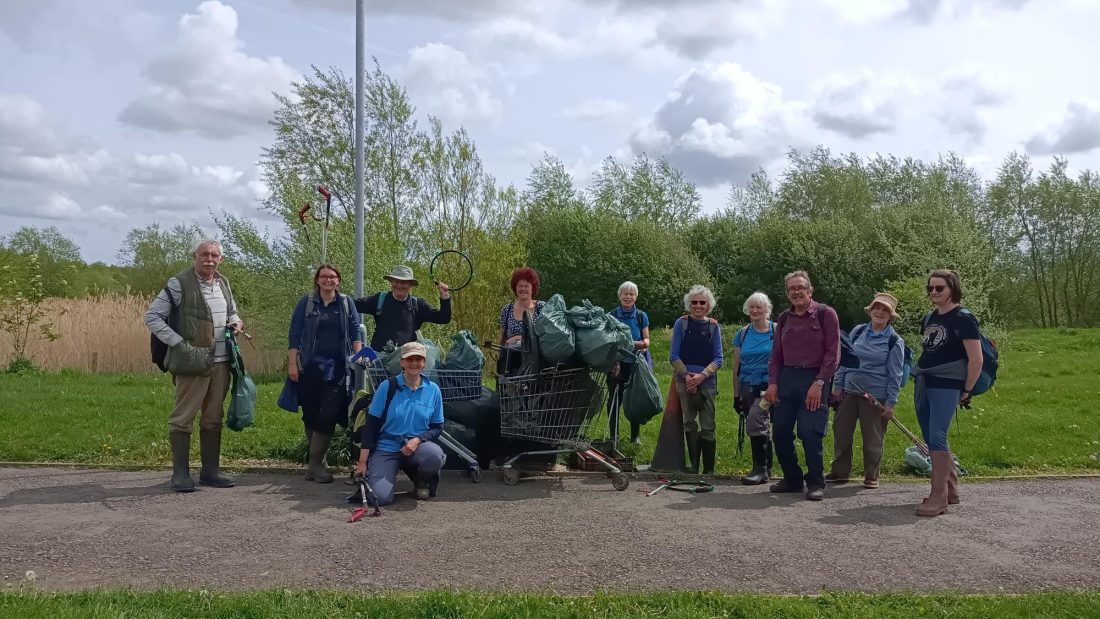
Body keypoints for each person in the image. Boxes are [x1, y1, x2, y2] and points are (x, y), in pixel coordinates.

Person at [144, 239, 243, 493]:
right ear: (194, 256)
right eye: (204, 255)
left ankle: (210, 472)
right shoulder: (179, 283)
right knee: (182, 418)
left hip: (222, 362)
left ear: (221, 259)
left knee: (213, 418)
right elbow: (152, 316)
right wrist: (178, 343)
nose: (209, 259)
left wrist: (236, 323)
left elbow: (232, 312)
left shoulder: (223, 282)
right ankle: (180, 474)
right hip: (190, 362)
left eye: (214, 255)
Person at [911, 270, 983, 517]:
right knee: (930, 436)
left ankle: (938, 497)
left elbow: (976, 359)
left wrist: (967, 389)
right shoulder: (929, 316)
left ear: (952, 288)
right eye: (930, 288)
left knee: (937, 435)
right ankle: (951, 490)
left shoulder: (964, 318)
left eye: (939, 288)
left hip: (947, 383)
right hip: (925, 380)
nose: (933, 292)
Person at [764, 270, 840, 501]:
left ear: (810, 290)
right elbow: (775, 355)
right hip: (787, 379)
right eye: (792, 289)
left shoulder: (826, 314)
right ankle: (792, 479)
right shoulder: (785, 318)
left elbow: (833, 353)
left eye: (801, 288)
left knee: (809, 432)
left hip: (815, 379)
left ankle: (816, 482)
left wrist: (819, 383)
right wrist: (773, 383)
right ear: (787, 293)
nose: (797, 292)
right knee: (781, 432)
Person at [286, 264, 363, 483]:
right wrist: (292, 364)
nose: (328, 280)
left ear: (338, 281)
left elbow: (355, 330)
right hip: (309, 367)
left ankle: (314, 465)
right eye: (324, 277)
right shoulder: (307, 303)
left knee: (328, 413)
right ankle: (317, 465)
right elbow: (294, 334)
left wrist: (359, 357)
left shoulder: (346, 303)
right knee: (310, 413)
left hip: (338, 367)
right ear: (317, 280)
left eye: (332, 277)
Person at [827, 292, 904, 490]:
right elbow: (845, 359)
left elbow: (895, 374)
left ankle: (871, 475)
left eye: (885, 310)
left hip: (875, 396)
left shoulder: (894, 341)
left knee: (873, 438)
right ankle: (840, 472)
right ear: (871, 310)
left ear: (890, 316)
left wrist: (891, 402)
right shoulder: (858, 331)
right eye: (877, 308)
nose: (880, 312)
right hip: (849, 391)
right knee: (841, 431)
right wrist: (837, 385)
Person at [354, 341, 447, 504]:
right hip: (387, 447)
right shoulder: (386, 387)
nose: (414, 363)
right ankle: (379, 476)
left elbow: (437, 427)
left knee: (435, 455)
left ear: (424, 363)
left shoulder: (433, 390)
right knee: (380, 498)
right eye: (409, 359)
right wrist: (362, 463)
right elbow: (371, 426)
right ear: (402, 362)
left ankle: (421, 481)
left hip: (416, 448)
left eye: (418, 359)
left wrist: (417, 440)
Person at [669, 285, 723, 474]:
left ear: (708, 305)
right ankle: (693, 465)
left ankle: (709, 470)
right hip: (684, 381)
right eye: (694, 302)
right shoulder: (681, 323)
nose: (698, 306)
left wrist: (702, 376)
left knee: (708, 425)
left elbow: (719, 359)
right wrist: (687, 376)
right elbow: (673, 355)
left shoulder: (714, 326)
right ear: (689, 304)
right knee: (689, 422)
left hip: (707, 382)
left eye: (702, 302)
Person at [730, 291, 775, 485]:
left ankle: (760, 470)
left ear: (767, 310)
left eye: (759, 307)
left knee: (756, 418)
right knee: (759, 423)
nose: (755, 310)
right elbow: (736, 365)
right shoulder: (743, 333)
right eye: (752, 307)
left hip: (768, 385)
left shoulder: (777, 330)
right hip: (747, 384)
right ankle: (768, 466)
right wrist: (736, 395)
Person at [354, 265, 450, 351]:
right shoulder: (380, 299)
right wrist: (339, 296)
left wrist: (444, 298)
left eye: (404, 282)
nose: (399, 286)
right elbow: (354, 304)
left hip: (407, 363)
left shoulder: (418, 305)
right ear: (391, 283)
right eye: (396, 281)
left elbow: (443, 318)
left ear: (410, 285)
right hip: (380, 363)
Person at [608, 281, 652, 445]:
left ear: (636, 297)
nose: (628, 297)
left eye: (631, 294)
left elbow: (646, 339)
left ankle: (635, 437)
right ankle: (614, 436)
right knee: (614, 399)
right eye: (625, 294)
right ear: (619, 296)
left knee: (635, 399)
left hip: (635, 364)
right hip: (615, 363)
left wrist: (641, 344)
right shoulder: (611, 315)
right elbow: (608, 340)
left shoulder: (641, 316)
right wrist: (635, 343)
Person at [498, 267, 546, 374]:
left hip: (536, 363)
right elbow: (502, 337)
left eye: (526, 286)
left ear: (532, 288)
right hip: (511, 363)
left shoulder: (541, 308)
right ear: (515, 288)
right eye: (520, 285)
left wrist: (518, 338)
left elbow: (545, 335)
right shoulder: (507, 309)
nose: (523, 289)